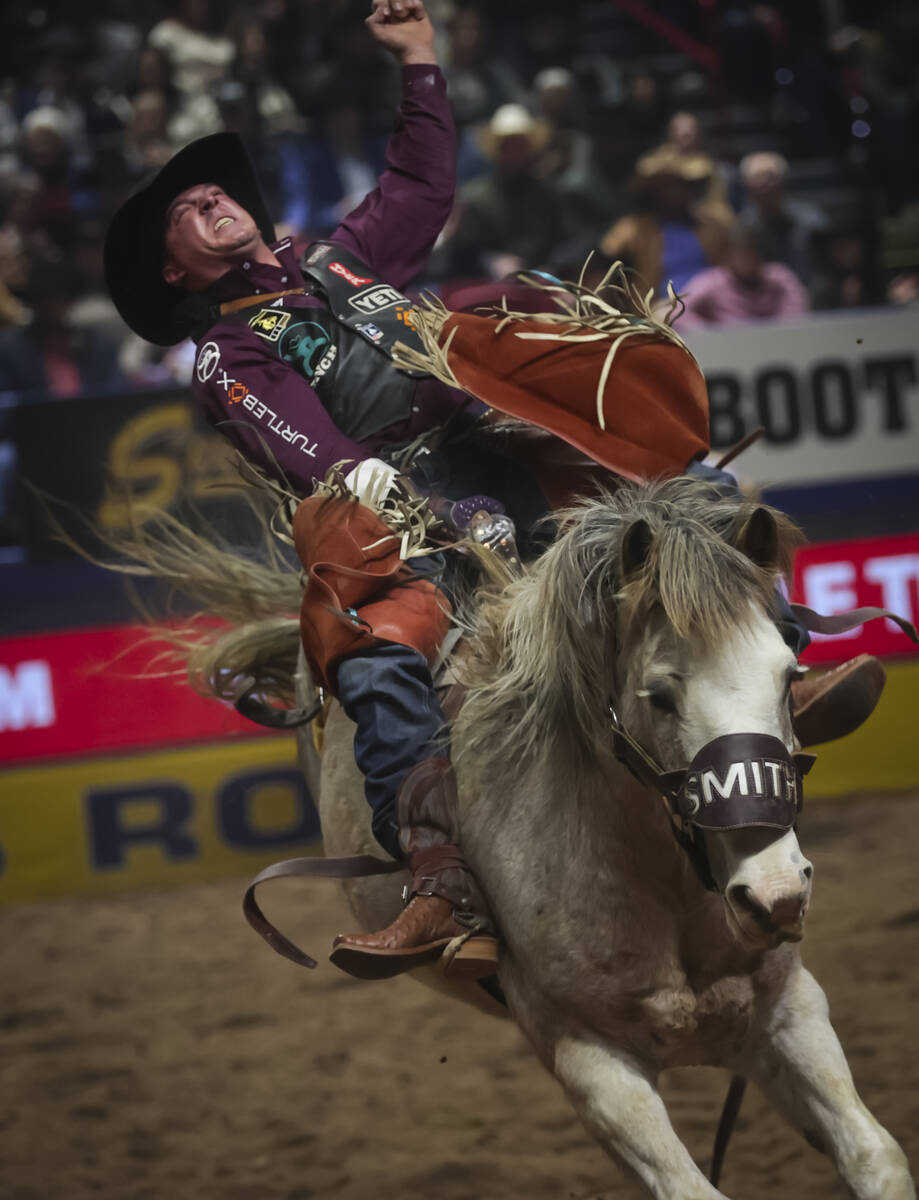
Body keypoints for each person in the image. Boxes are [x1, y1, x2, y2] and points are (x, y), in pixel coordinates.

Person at [104, 0, 886, 983]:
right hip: (394, 495)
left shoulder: (341, 260)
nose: (211, 197)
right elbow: (279, 424)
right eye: (187, 208)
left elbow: (421, 185)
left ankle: (790, 663)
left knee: (695, 489)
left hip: (487, 439)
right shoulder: (228, 348)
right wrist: (347, 469)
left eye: (215, 189)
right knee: (381, 652)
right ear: (178, 266)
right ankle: (443, 879)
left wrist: (421, 62)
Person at [678, 224, 808, 329]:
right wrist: (714, 332)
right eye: (739, 253)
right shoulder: (712, 282)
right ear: (728, 255)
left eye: (751, 250)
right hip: (727, 352)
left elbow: (795, 317)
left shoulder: (781, 278)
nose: (746, 260)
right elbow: (676, 311)